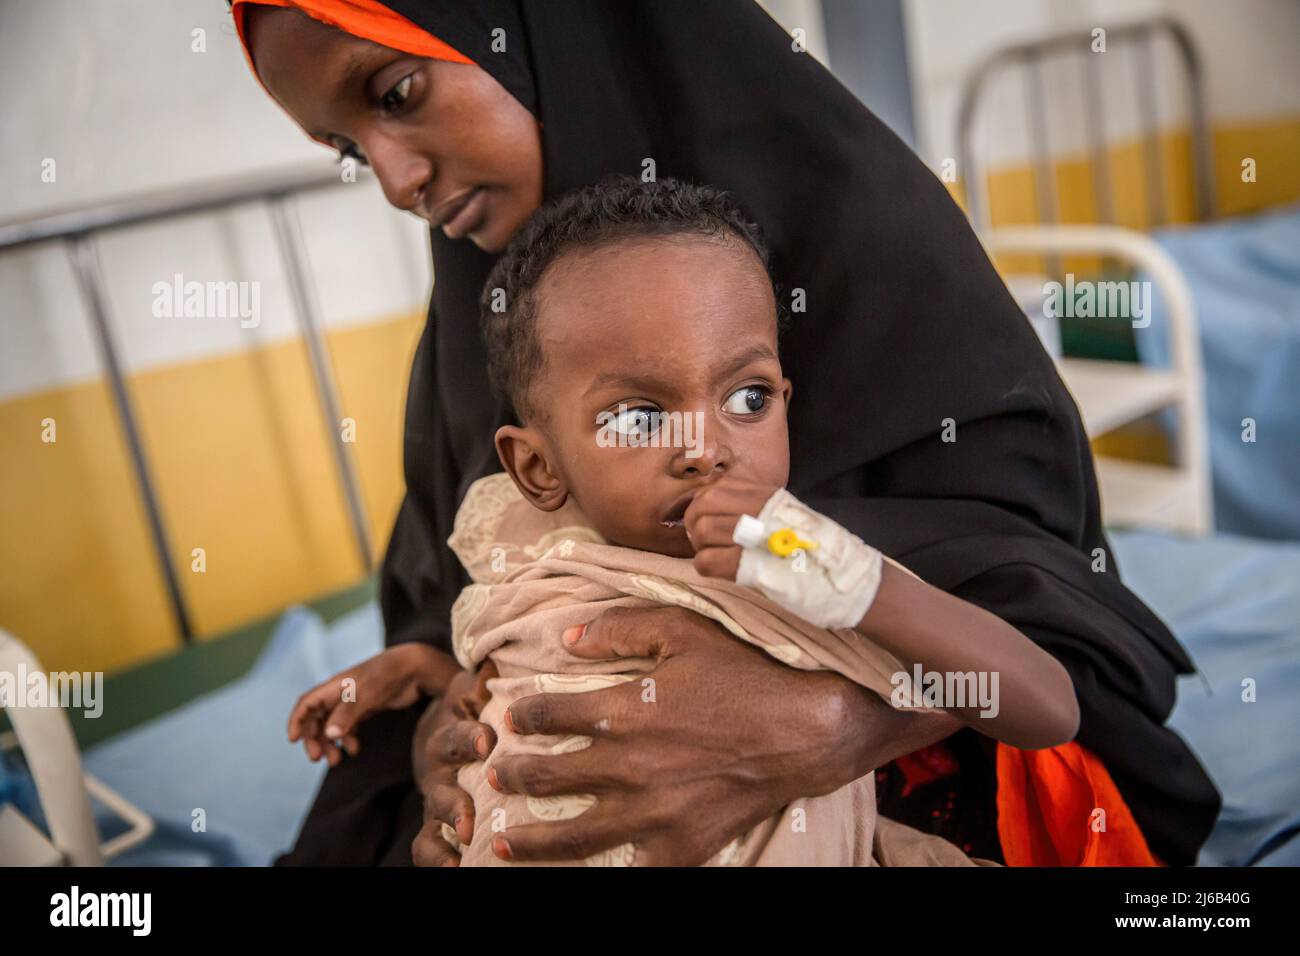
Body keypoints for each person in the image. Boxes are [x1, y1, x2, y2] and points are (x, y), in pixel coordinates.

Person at [232, 0, 1220, 867]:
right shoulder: (475, 336)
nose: (398, 179)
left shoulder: (861, 234)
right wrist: (445, 738)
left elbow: (1047, 621)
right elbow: (443, 601)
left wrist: (838, 718)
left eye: (398, 92)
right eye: (353, 151)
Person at [287, 177, 1098, 866]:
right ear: (537, 470)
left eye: (747, 399)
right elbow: (514, 659)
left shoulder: (798, 572)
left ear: (785, 402)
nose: (705, 450)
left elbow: (1043, 705)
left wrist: (861, 585)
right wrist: (430, 679)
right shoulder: (532, 549)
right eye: (639, 419)